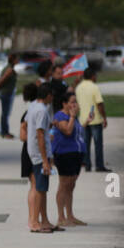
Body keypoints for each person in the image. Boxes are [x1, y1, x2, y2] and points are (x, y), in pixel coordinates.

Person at [25, 83, 58, 232]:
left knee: (43, 189)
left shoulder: (33, 107)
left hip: (35, 152)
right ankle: (34, 222)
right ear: (48, 96)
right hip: (39, 155)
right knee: (39, 188)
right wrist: (45, 160)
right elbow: (40, 135)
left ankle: (44, 220)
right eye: (52, 95)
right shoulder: (42, 111)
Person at [51, 92, 86, 226]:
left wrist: (85, 121)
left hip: (76, 153)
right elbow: (68, 131)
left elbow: (78, 132)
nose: (74, 105)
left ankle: (70, 215)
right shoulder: (61, 116)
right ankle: (61, 217)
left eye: (75, 102)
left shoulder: (73, 117)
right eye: (71, 102)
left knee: (71, 185)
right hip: (64, 153)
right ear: (64, 103)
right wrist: (72, 116)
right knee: (64, 184)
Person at [76, 67, 110, 172]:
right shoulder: (94, 87)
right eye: (96, 76)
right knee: (98, 144)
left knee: (85, 144)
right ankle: (99, 166)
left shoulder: (79, 87)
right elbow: (99, 104)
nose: (96, 77)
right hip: (95, 120)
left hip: (83, 120)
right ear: (92, 76)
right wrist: (104, 117)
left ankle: (87, 165)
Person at [0, 53, 18, 138]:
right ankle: (4, 132)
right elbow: (2, 80)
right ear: (13, 60)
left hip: (7, 93)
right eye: (17, 59)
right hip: (6, 93)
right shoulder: (9, 69)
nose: (18, 60)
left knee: (6, 113)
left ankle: (5, 131)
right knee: (5, 113)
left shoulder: (10, 68)